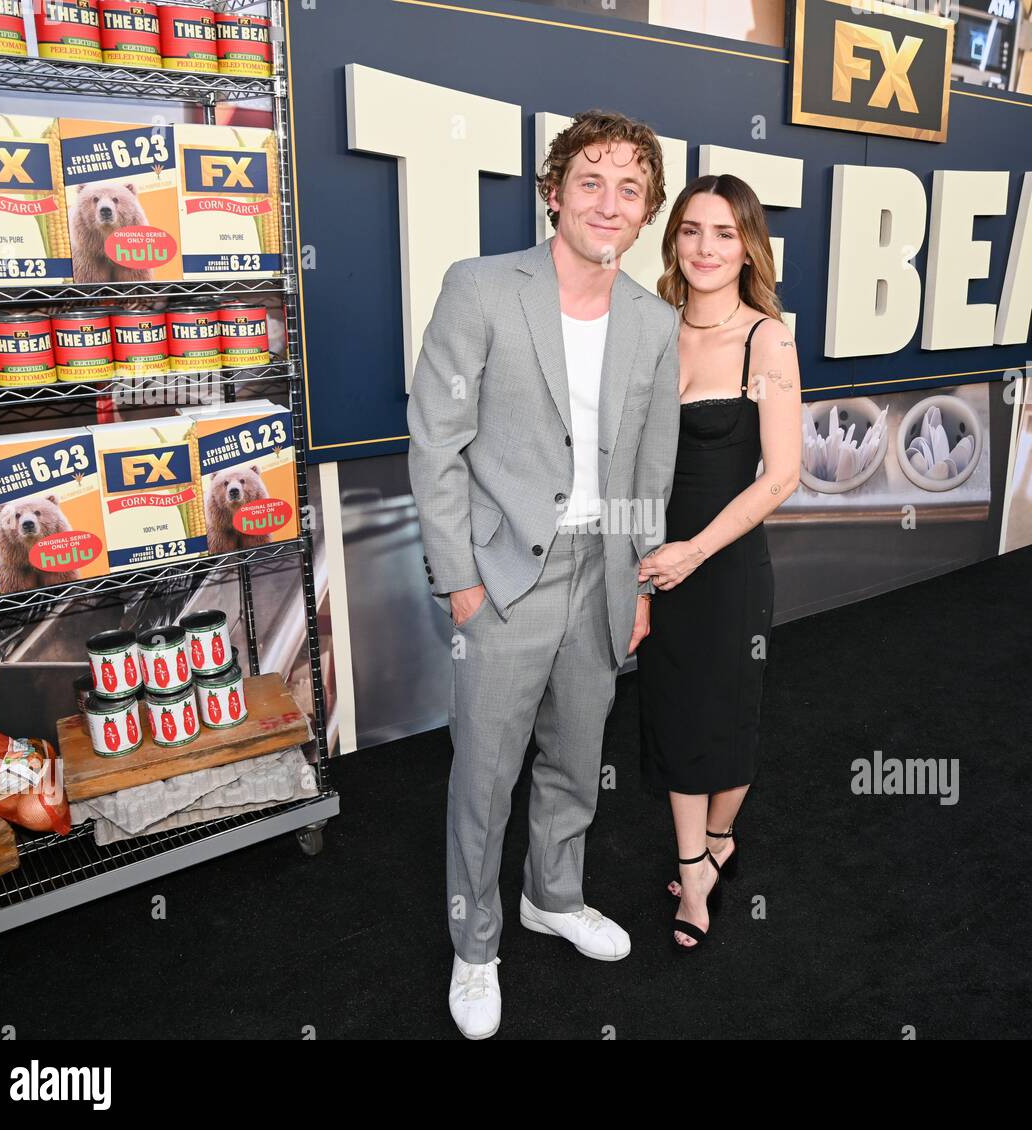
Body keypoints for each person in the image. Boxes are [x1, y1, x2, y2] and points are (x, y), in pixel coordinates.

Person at [407, 110, 681, 1038]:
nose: (610, 203)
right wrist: (459, 580)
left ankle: (550, 898)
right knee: (484, 775)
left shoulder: (654, 319)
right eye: (592, 181)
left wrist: (640, 583)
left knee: (577, 758)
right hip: (503, 578)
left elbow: (651, 464)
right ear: (553, 191)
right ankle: (473, 944)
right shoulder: (482, 289)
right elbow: (437, 442)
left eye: (631, 189)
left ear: (647, 214)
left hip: (603, 574)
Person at [635, 174, 801, 952]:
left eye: (725, 233)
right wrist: (642, 565)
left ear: (747, 247)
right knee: (672, 714)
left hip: (724, 565)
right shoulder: (652, 330)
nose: (706, 247)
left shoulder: (765, 337)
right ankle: (695, 862)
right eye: (693, 230)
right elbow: (633, 466)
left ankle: (716, 840)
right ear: (674, 240)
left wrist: (693, 553)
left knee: (726, 720)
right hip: (658, 566)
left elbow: (782, 475)